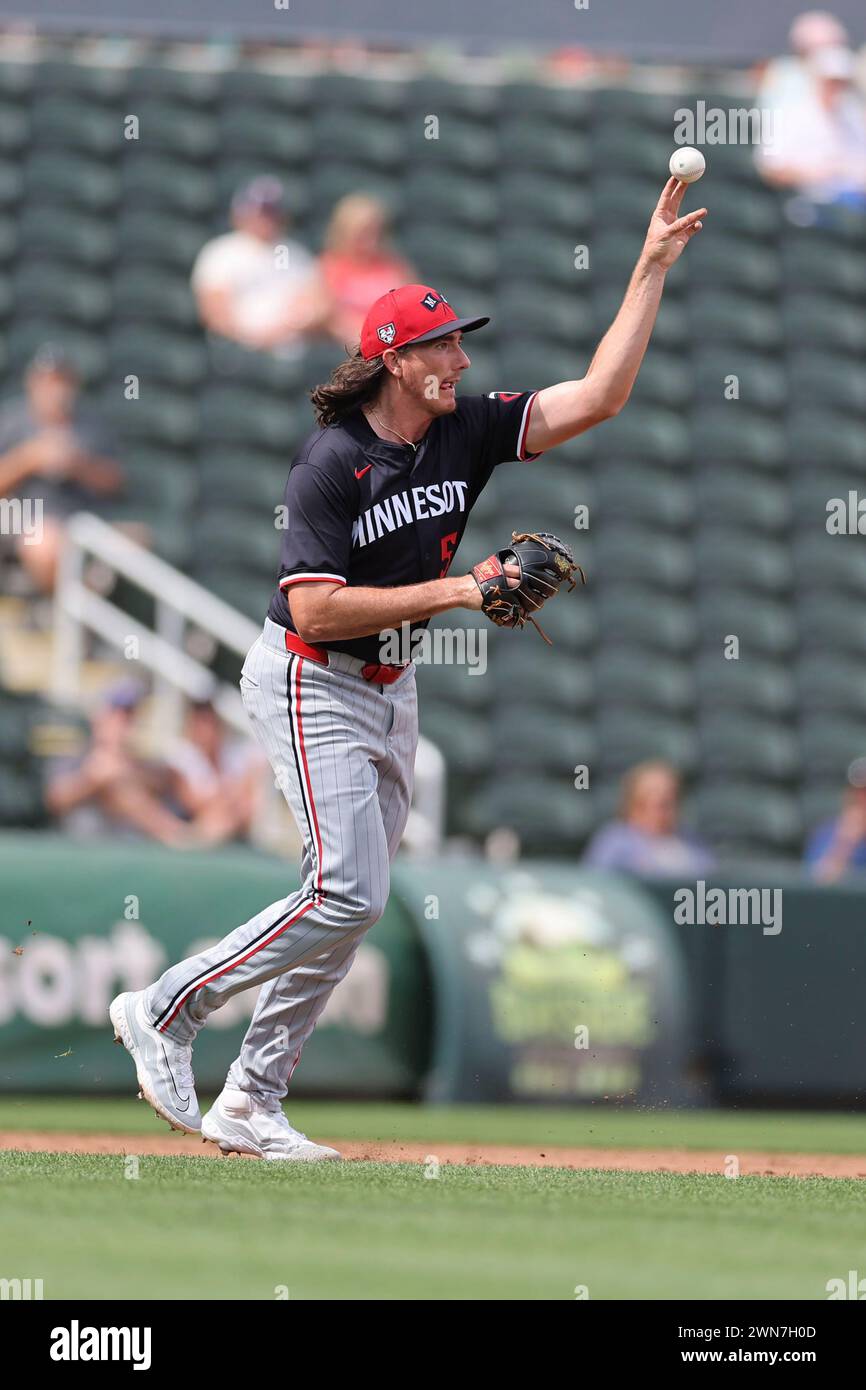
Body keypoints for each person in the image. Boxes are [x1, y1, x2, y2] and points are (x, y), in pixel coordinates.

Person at [109, 177, 707, 1161]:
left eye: (459, 343)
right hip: (308, 676)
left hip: (391, 689)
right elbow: (313, 605)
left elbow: (595, 398)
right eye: (442, 346)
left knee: (355, 898)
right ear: (395, 359)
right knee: (345, 890)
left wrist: (645, 271)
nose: (460, 359)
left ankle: (252, 1098)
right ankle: (168, 1006)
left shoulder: (461, 428)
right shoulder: (330, 462)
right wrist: (462, 592)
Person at [0, 346, 122, 593]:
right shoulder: (12, 422)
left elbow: (115, 482)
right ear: (32, 384)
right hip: (19, 518)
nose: (54, 391)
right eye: (47, 382)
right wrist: (28, 458)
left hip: (78, 519)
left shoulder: (91, 425)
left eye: (61, 382)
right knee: (44, 542)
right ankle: (68, 607)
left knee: (131, 541)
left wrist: (77, 463)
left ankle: (71, 604)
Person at [45, 681, 196, 848]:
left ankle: (179, 835)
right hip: (85, 846)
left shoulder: (142, 762)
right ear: (98, 716)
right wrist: (93, 778)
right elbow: (55, 800)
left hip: (134, 846)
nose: (122, 721)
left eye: (129, 714)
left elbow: (170, 780)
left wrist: (126, 772)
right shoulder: (74, 756)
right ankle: (176, 834)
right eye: (116, 712)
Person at [191, 176, 332, 354]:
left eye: (271, 211)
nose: (265, 218)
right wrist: (253, 338)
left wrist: (287, 328)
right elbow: (214, 311)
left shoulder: (298, 255)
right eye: (258, 211)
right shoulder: (221, 252)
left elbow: (318, 306)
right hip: (234, 352)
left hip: (289, 353)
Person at [756, 45, 866, 215]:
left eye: (842, 83)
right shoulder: (789, 114)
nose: (837, 89)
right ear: (818, 80)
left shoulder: (853, 117)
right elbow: (771, 169)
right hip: (806, 205)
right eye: (832, 82)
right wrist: (816, 174)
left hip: (854, 202)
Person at [583, 761, 714, 878]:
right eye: (649, 797)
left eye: (668, 801)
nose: (658, 806)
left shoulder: (691, 842)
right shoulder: (614, 840)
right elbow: (596, 886)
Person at [164, 697, 267, 844]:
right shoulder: (180, 757)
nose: (207, 731)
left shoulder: (230, 754)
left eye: (209, 724)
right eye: (201, 724)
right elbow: (192, 802)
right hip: (199, 824)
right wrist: (231, 795)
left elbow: (248, 798)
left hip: (224, 826)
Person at [319, 193, 414, 347]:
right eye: (362, 232)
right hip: (349, 348)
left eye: (376, 232)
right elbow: (327, 316)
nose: (370, 240)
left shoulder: (394, 266)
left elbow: (412, 309)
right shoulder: (330, 266)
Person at [805, 759, 866, 882]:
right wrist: (845, 843)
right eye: (858, 793)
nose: (862, 799)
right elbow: (819, 883)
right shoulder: (827, 835)